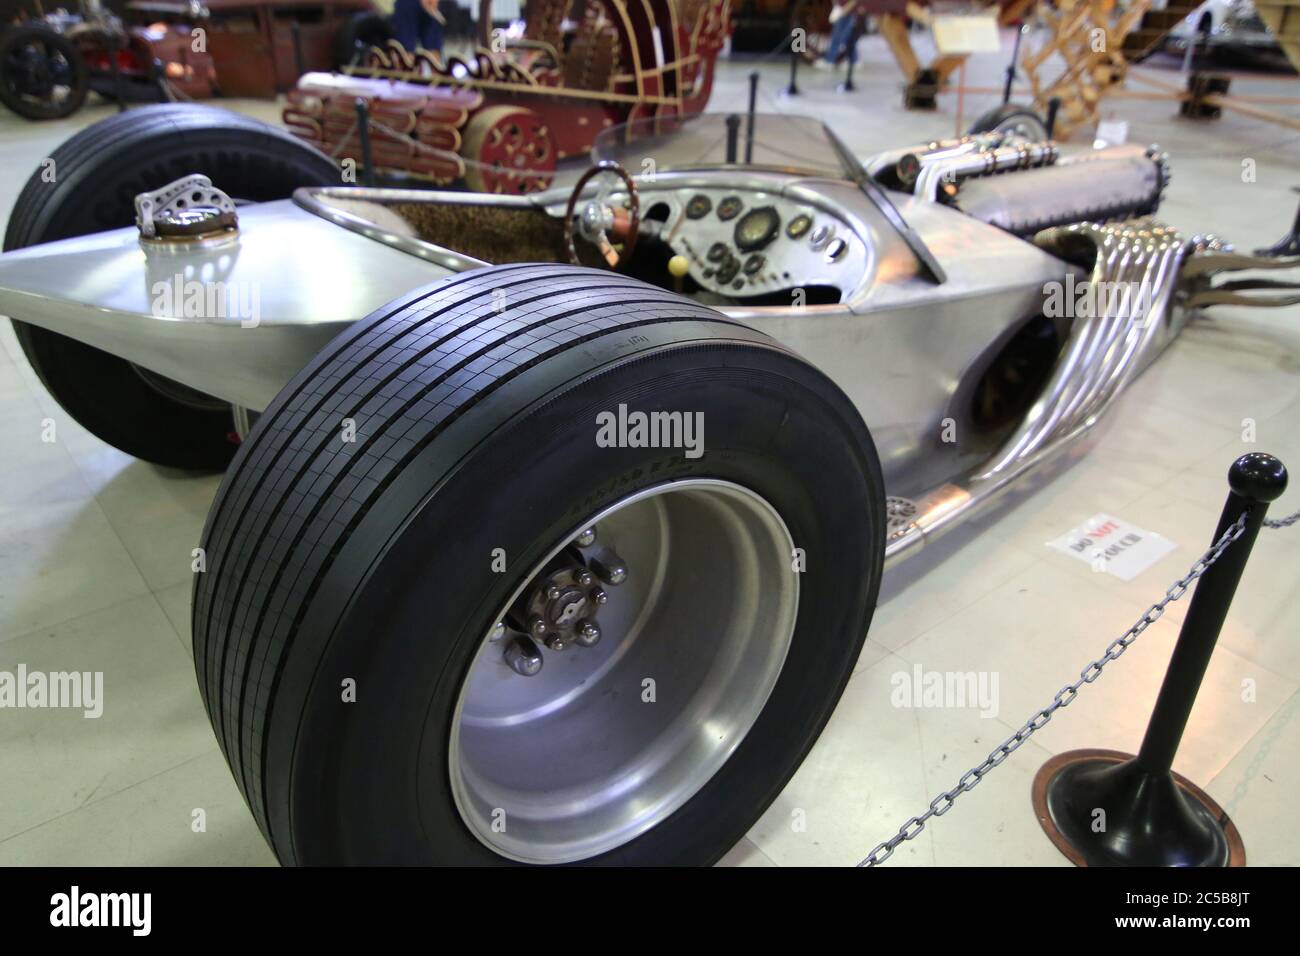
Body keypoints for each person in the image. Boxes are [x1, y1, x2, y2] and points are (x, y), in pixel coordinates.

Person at [814, 1, 864, 70]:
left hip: (846, 10)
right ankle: (854, 60)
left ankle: (829, 60)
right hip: (844, 9)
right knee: (848, 37)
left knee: (838, 36)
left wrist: (844, 10)